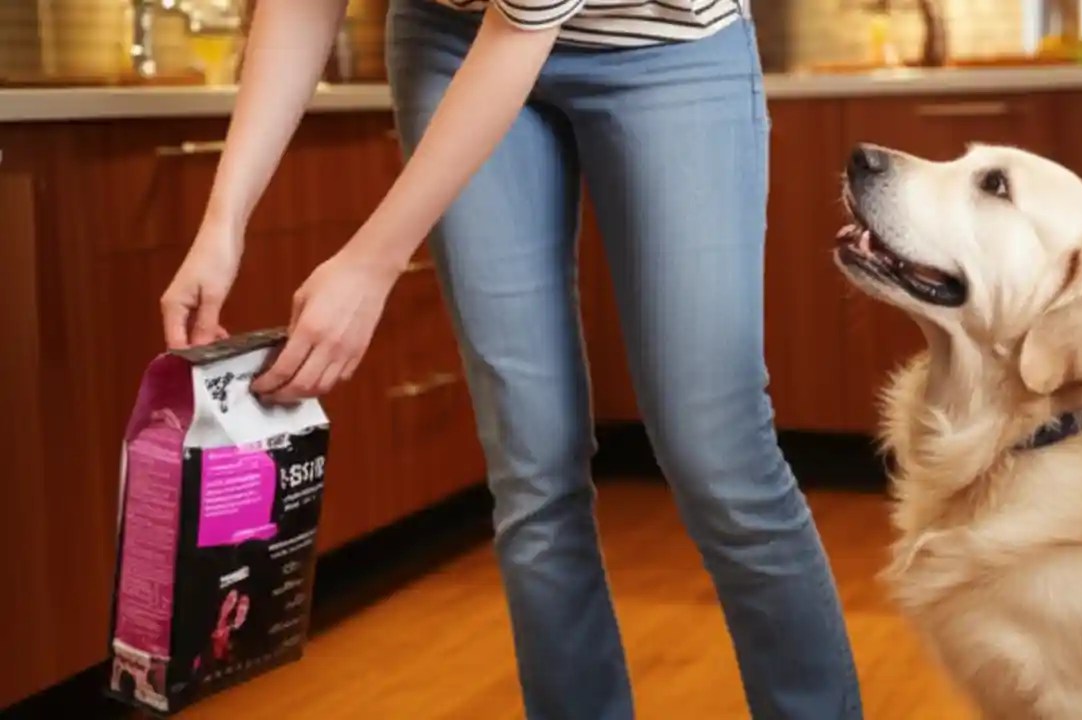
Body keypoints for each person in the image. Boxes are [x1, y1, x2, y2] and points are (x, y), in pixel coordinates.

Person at [159, 1, 864, 717]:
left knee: (718, 453)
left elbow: (522, 30)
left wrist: (372, 265)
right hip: (450, 35)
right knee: (532, 464)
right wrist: (223, 223)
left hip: (668, 47)